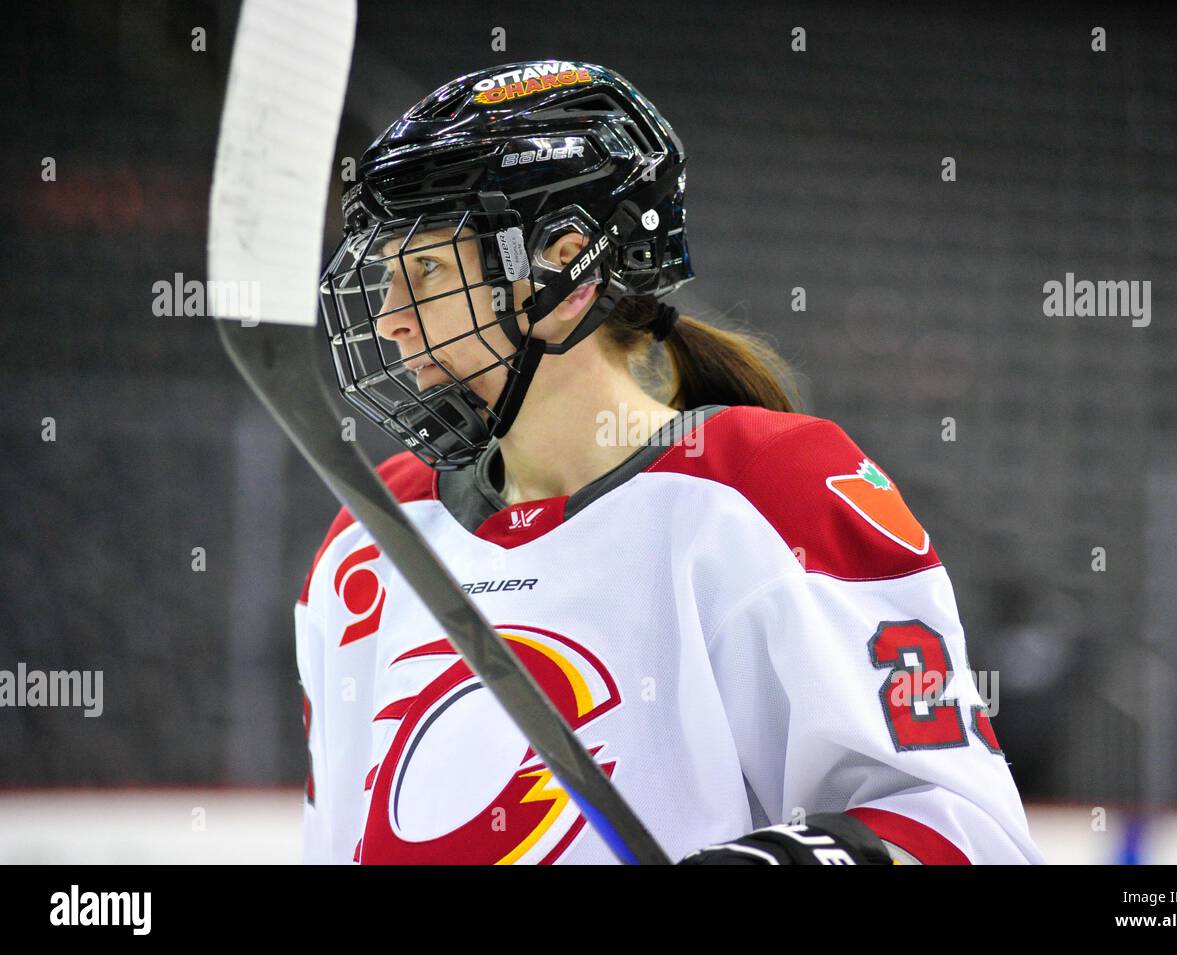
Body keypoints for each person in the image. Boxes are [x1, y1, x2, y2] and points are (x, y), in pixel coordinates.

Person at [297, 59, 1044, 864]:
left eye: (427, 271)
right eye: (386, 278)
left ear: (565, 270)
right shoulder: (373, 534)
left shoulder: (766, 489)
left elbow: (962, 835)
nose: (394, 321)